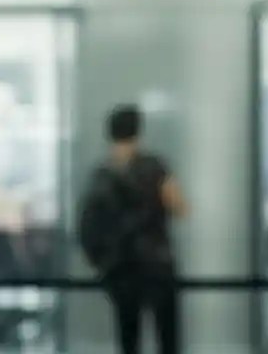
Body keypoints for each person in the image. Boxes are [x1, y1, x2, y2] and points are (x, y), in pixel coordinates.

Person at [79, 104, 188, 354]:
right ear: (139, 132)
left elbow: (88, 224)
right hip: (156, 263)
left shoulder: (101, 175)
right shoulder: (155, 168)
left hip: (119, 266)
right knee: (167, 337)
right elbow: (180, 208)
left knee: (128, 337)